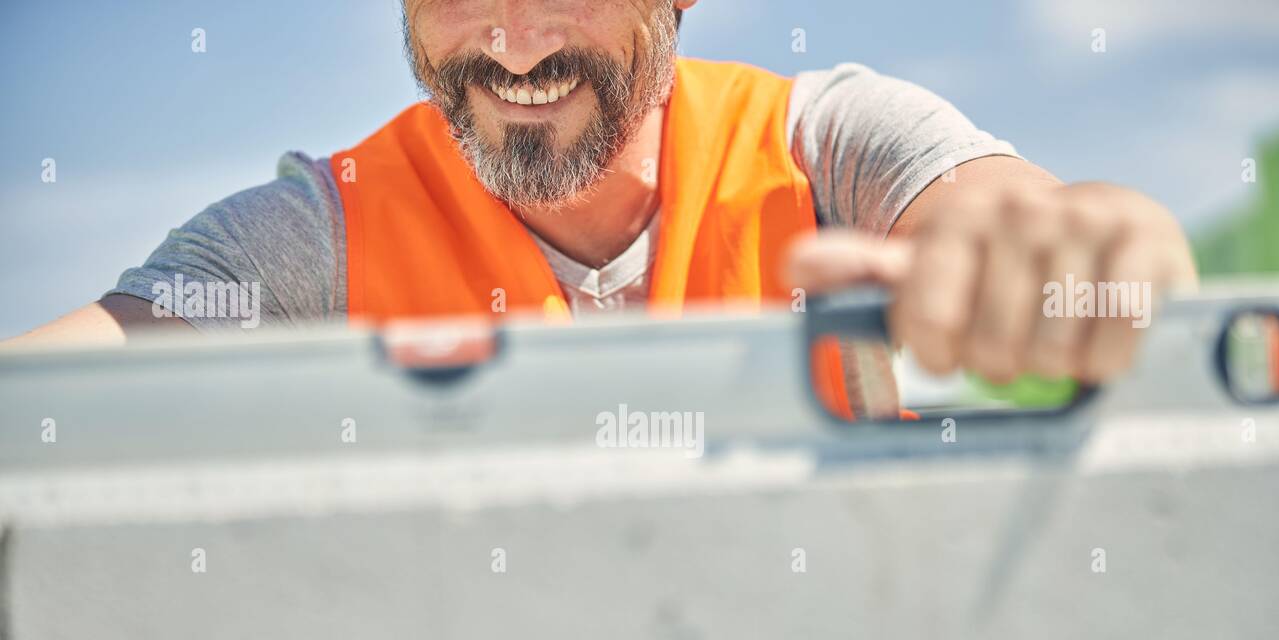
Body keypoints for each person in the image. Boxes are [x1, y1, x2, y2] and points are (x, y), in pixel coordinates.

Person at [4, 0, 1197, 392]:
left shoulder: (830, 143)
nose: (515, 45)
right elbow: (55, 403)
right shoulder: (311, 236)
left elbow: (1048, 231)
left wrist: (1105, 250)